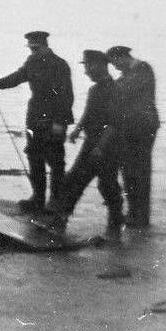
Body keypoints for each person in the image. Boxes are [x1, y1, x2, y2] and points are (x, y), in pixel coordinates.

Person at [33, 51, 123, 237]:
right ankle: (61, 221)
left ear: (99, 65)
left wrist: (100, 147)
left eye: (88, 66)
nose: (86, 71)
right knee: (78, 181)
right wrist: (77, 129)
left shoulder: (114, 91)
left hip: (107, 147)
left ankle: (114, 224)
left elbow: (114, 123)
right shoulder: (95, 90)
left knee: (101, 184)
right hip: (92, 143)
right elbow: (89, 113)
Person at [0, 31, 74, 212]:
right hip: (35, 118)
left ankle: (55, 201)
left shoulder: (60, 65)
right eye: (31, 48)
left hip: (54, 120)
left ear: (44, 45)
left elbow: (67, 97)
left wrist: (60, 123)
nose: (33, 51)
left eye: (35, 48)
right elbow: (17, 77)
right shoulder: (32, 62)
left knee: (55, 161)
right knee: (34, 157)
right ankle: (38, 198)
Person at [106, 45, 159, 230]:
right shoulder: (130, 73)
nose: (115, 67)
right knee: (129, 171)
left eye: (115, 63)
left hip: (143, 127)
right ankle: (134, 214)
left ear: (122, 57)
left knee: (140, 172)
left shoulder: (142, 69)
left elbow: (123, 91)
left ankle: (141, 217)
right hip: (131, 127)